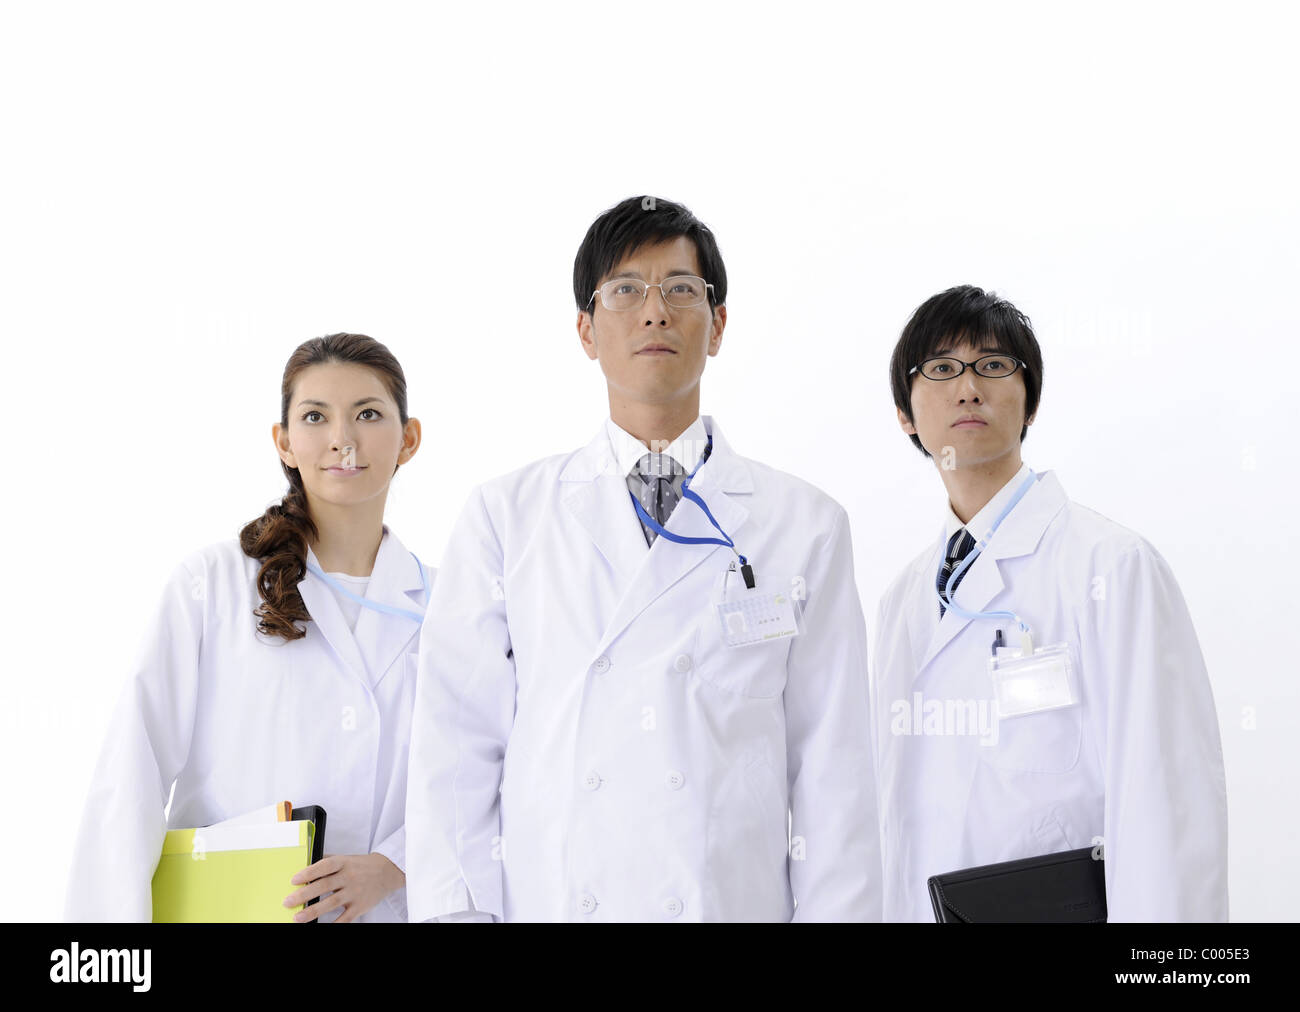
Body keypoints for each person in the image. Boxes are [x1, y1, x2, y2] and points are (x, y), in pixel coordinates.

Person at [405, 196, 880, 922]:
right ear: (586, 330)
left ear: (717, 326)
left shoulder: (806, 525)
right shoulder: (507, 517)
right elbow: (454, 752)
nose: (654, 312)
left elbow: (834, 775)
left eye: (681, 290)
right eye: (625, 290)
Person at [871, 285, 1228, 921]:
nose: (968, 387)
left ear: (1029, 401)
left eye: (994, 365)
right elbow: (896, 818)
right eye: (942, 369)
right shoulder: (904, 599)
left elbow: (1166, 805)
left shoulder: (1112, 567)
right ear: (906, 411)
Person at [65, 333, 429, 922]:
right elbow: (131, 772)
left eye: (368, 413)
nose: (342, 439)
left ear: (408, 439)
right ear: (284, 442)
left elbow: (493, 780)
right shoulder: (211, 585)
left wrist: (396, 863)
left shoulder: (450, 605)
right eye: (315, 417)